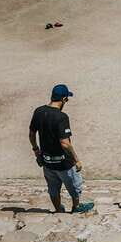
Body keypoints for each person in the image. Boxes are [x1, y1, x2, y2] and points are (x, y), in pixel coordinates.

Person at [29, 84, 93, 213]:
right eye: (67, 99)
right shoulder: (61, 117)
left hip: (47, 161)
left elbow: (31, 134)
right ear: (63, 99)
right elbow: (65, 143)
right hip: (63, 163)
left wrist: (36, 152)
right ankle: (76, 207)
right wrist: (76, 160)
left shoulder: (39, 111)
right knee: (74, 186)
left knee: (53, 188)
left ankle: (58, 210)